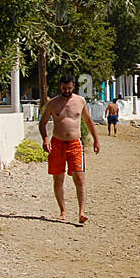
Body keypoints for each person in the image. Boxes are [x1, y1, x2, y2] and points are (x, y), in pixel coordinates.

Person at [38, 75, 100, 224]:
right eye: (64, 88)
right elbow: (43, 123)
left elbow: (88, 120)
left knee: (79, 178)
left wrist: (96, 140)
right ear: (60, 86)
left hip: (75, 144)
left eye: (70, 88)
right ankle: (63, 210)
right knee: (58, 179)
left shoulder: (80, 101)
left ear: (74, 86)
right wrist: (45, 138)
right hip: (57, 144)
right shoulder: (53, 103)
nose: (67, 91)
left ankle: (81, 212)